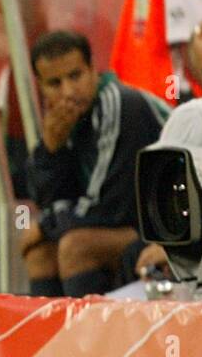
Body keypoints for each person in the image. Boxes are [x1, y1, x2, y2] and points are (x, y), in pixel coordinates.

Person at [21, 30, 170, 297]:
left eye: (75, 76)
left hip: (168, 231)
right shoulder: (62, 120)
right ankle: (47, 340)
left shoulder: (120, 104)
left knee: (76, 246)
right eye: (55, 83)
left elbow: (109, 208)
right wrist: (51, 150)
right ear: (41, 87)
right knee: (39, 253)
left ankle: (88, 339)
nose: (68, 91)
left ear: (93, 70)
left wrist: (44, 225)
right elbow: (46, 199)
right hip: (126, 227)